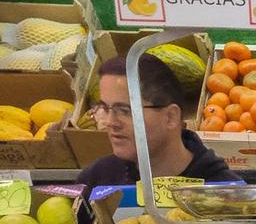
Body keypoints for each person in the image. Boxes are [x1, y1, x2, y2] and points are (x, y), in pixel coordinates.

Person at [76, 53, 239, 191]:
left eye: (125, 111)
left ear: (171, 117)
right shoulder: (96, 180)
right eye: (105, 108)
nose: (110, 122)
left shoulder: (225, 192)